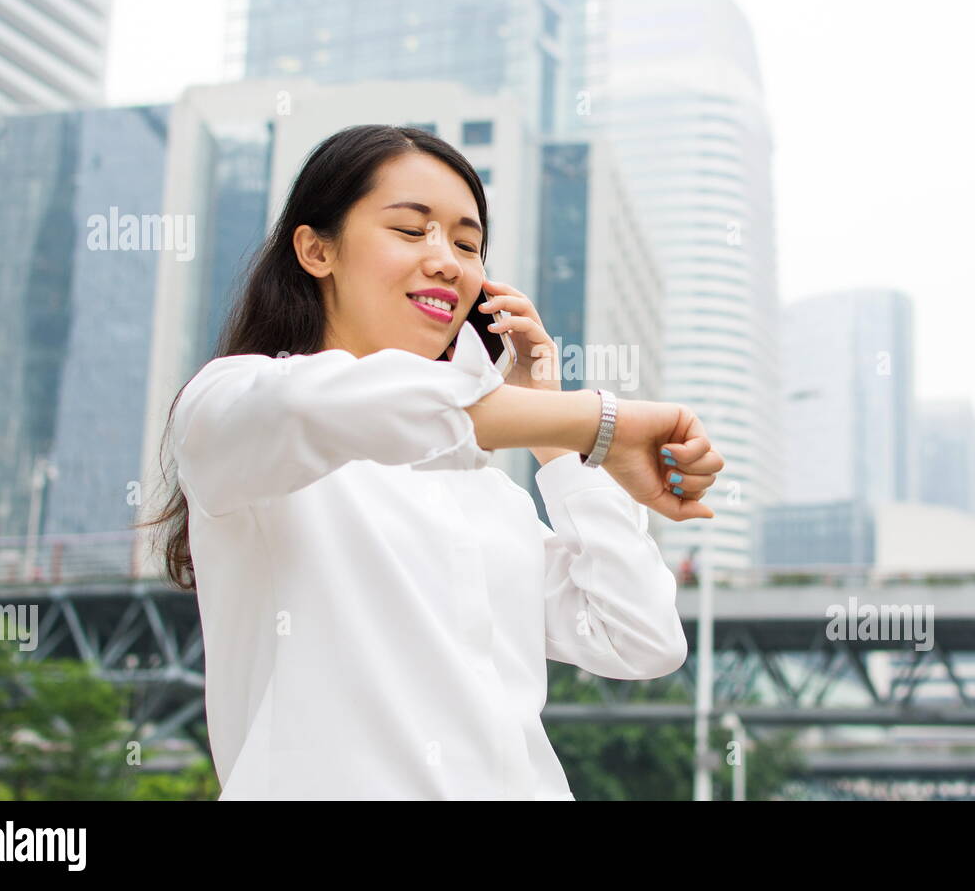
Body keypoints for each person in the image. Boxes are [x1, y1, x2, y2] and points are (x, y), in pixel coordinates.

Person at [138, 124, 724, 799]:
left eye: (468, 243)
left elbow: (640, 634)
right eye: (412, 231)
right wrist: (598, 423)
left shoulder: (484, 493)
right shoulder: (233, 408)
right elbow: (350, 408)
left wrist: (559, 436)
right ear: (316, 247)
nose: (447, 260)